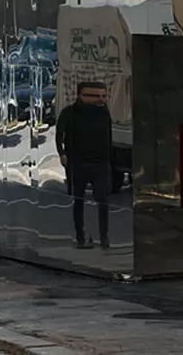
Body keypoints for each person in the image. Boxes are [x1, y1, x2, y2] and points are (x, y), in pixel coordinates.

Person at [55, 80, 112, 250]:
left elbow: (108, 138)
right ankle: (80, 235)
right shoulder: (69, 113)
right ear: (81, 95)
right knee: (78, 200)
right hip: (78, 163)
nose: (101, 100)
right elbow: (59, 135)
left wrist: (109, 163)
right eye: (95, 96)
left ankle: (104, 237)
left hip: (100, 164)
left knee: (103, 200)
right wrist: (62, 154)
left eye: (103, 96)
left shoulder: (103, 113)